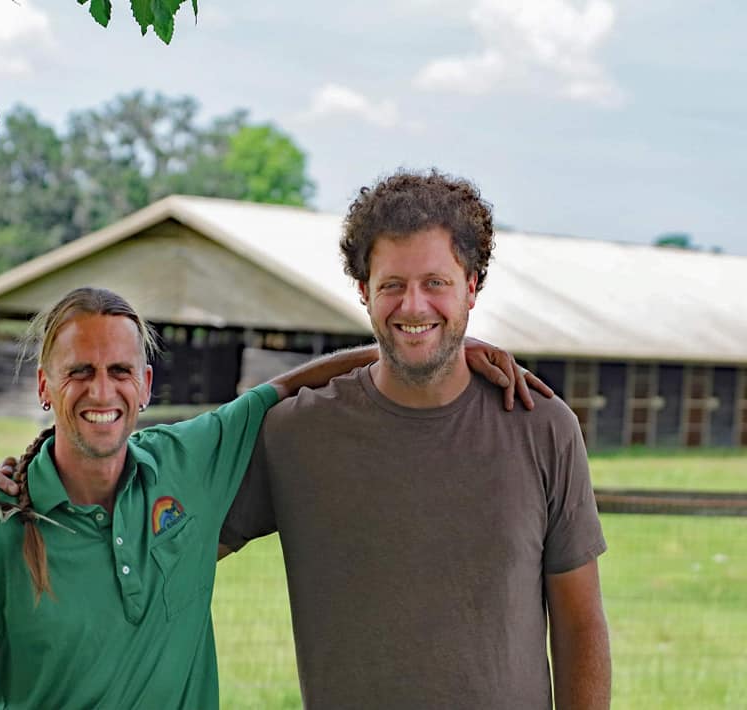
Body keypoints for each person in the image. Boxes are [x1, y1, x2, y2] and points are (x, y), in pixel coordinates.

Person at [0, 286, 540, 709]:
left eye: (119, 371)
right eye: (80, 372)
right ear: (46, 389)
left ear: (145, 384)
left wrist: (445, 348)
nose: (102, 391)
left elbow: (291, 386)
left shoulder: (188, 462)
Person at [220, 169, 611, 709]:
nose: (413, 306)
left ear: (471, 286)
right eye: (392, 286)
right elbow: (179, 549)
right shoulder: (296, 434)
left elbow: (580, 624)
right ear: (364, 292)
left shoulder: (542, 427)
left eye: (435, 283)